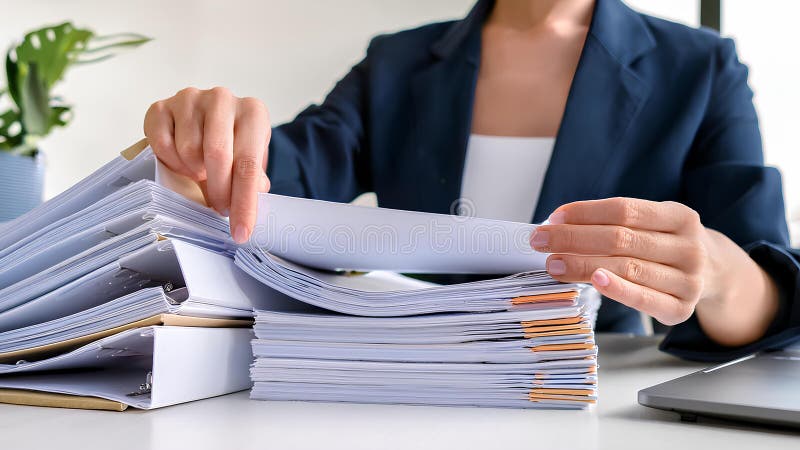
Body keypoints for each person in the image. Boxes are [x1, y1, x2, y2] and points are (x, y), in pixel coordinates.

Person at [143, 0, 800, 361]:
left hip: (601, 399)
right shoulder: (394, 64)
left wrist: (720, 273)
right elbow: (272, 179)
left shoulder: (701, 67)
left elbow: (770, 290)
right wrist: (202, 147)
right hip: (407, 390)